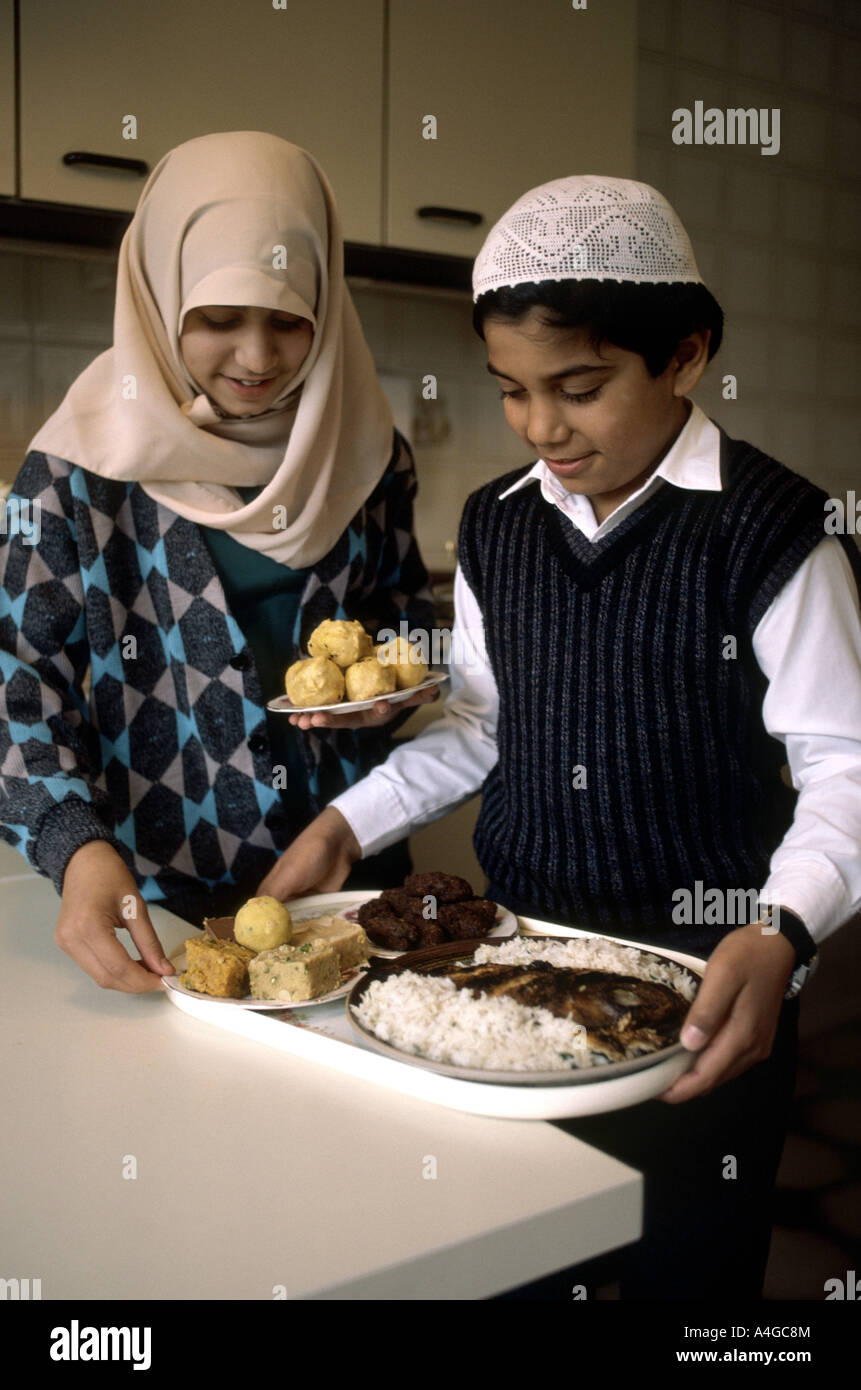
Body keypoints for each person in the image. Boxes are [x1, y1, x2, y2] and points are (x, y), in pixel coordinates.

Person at [258, 176, 861, 1298]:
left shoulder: (774, 532)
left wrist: (782, 930)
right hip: (514, 966)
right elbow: (485, 724)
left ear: (683, 355)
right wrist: (349, 825)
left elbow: (846, 766)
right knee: (529, 1262)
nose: (541, 426)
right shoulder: (497, 525)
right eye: (511, 392)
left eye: (578, 388)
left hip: (707, 977)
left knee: (692, 1270)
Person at [0, 131, 438, 995]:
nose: (258, 359)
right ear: (162, 298)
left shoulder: (367, 448)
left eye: (286, 320)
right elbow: (17, 684)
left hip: (357, 890)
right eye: (218, 320)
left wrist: (389, 693)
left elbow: (406, 616)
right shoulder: (79, 468)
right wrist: (74, 849)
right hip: (155, 904)